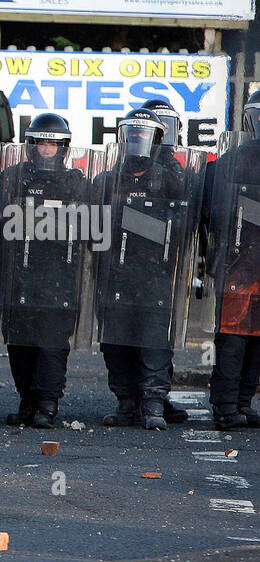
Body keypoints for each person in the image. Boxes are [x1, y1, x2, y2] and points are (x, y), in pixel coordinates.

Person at [94, 109, 196, 430]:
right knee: (117, 341)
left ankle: (153, 404)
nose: (138, 144)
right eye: (133, 136)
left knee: (154, 341)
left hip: (155, 274)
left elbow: (184, 226)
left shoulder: (172, 182)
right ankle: (126, 403)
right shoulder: (106, 181)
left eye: (144, 137)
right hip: (115, 275)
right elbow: (91, 231)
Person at [0, 113, 93, 429]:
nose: (45, 149)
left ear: (63, 148)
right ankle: (27, 402)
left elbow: (90, 230)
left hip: (59, 278)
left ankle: (47, 405)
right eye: (40, 142)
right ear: (30, 146)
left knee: (51, 346)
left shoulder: (76, 184)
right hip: (20, 277)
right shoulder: (14, 177)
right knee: (20, 345)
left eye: (52, 143)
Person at [203, 91, 260, 429]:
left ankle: (240, 403)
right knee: (234, 338)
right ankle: (226, 407)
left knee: (253, 339)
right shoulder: (232, 161)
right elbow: (213, 209)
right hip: (238, 259)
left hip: (248, 260)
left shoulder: (231, 160)